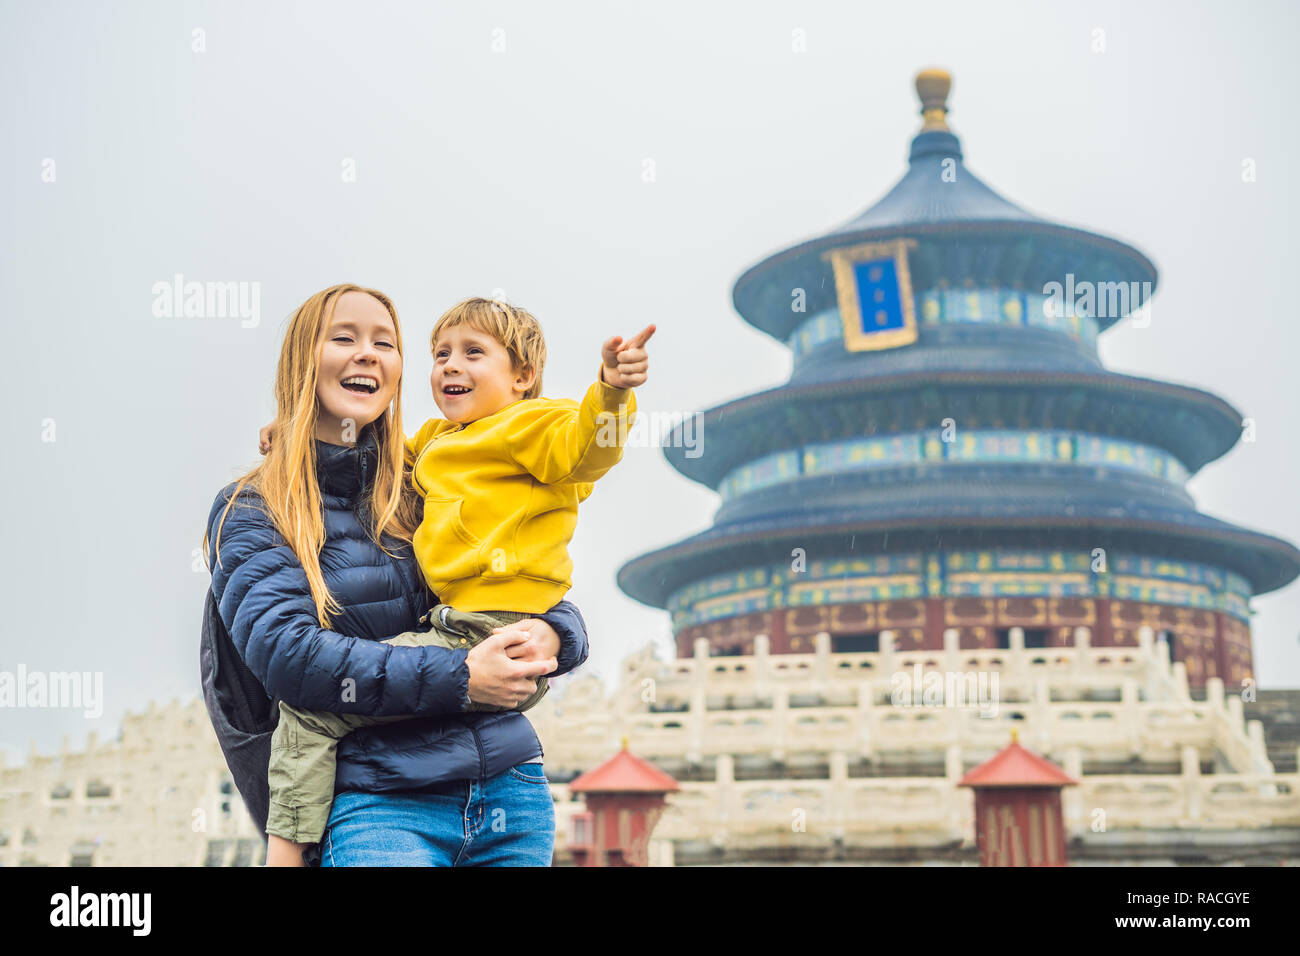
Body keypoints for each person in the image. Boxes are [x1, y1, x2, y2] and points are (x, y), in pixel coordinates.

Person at [205, 283, 591, 867]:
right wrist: (463, 674)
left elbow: (515, 584)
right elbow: (289, 657)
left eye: (384, 342)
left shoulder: (424, 488)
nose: (367, 353)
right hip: (380, 807)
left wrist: (561, 635)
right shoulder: (255, 509)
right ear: (300, 361)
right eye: (344, 337)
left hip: (511, 793)